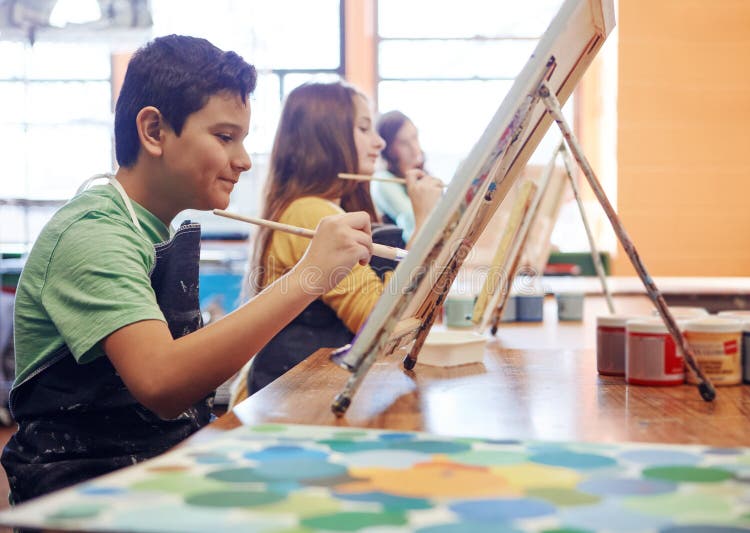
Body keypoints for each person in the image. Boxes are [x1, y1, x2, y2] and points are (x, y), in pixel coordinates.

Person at [0, 35, 374, 504]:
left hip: (161, 466)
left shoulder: (154, 229)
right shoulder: (93, 232)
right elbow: (162, 382)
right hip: (88, 492)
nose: (243, 161)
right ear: (154, 130)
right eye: (225, 137)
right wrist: (308, 276)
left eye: (243, 140)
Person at [238, 81, 442, 398]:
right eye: (364, 128)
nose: (378, 142)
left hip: (303, 396)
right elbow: (383, 327)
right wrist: (426, 222)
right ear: (325, 136)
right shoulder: (311, 212)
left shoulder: (324, 208)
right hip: (290, 404)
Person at [372, 110, 432, 244]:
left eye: (415, 137)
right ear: (388, 149)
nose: (414, 147)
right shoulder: (382, 180)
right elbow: (411, 218)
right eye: (404, 143)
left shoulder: (422, 174)